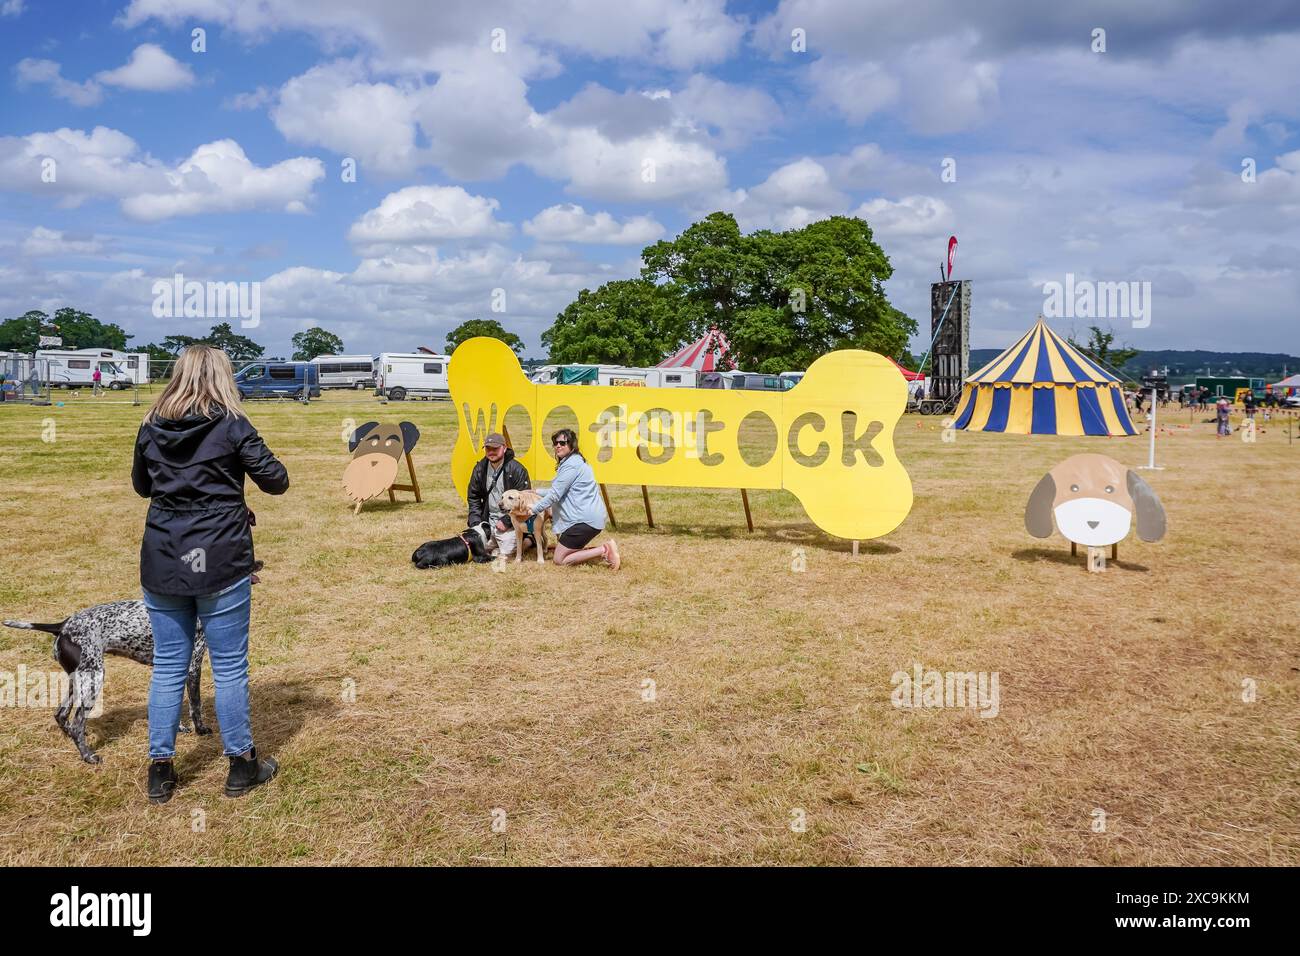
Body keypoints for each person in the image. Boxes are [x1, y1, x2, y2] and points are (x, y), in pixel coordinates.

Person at [131, 344, 288, 805]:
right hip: (221, 557)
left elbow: (143, 486)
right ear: (223, 376)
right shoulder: (233, 424)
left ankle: (160, 770)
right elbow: (276, 480)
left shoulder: (150, 424)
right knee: (230, 665)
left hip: (164, 555)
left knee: (168, 665)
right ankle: (241, 764)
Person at [528, 428, 619, 570]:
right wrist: (536, 491)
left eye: (562, 443)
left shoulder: (571, 465)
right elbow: (559, 490)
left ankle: (604, 550)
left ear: (572, 445)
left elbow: (555, 494)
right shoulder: (573, 461)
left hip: (584, 521)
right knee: (564, 552)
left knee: (559, 559)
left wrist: (533, 510)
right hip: (588, 519)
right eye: (555, 443)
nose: (558, 446)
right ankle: (599, 550)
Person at [466, 432, 533, 557]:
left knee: (504, 553)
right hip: (487, 522)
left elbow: (524, 502)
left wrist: (506, 521)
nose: (491, 452)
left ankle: (528, 540)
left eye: (495, 448)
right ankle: (497, 543)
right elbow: (473, 497)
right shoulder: (480, 469)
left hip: (511, 523)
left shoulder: (517, 470)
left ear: (504, 448)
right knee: (472, 548)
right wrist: (476, 524)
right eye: (488, 448)